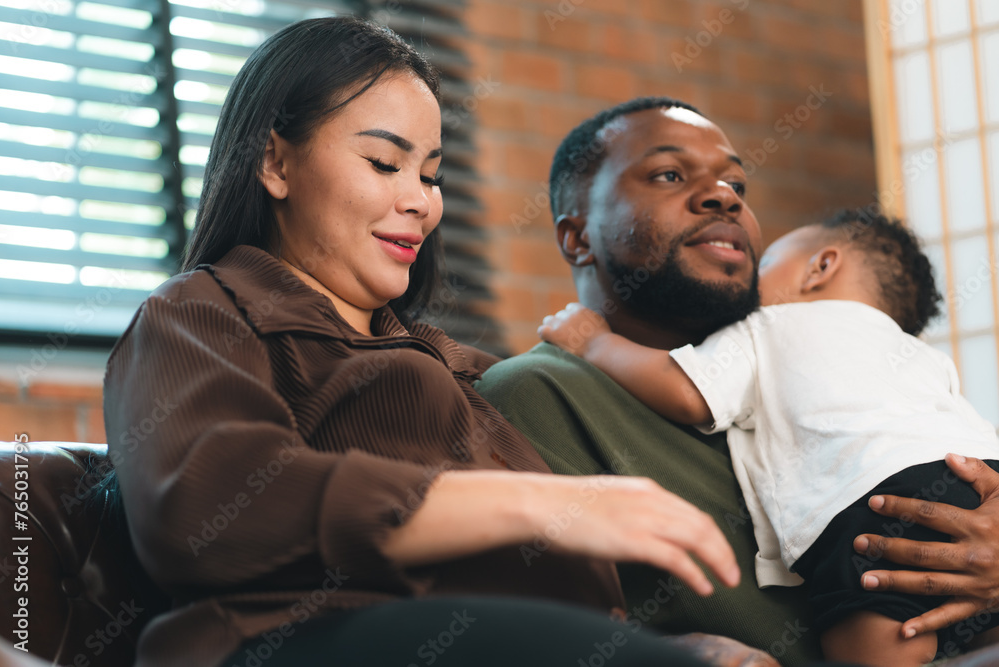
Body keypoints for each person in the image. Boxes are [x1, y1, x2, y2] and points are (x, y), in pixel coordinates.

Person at [101, 18, 769, 667]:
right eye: (384, 162)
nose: (421, 200)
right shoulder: (200, 312)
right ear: (276, 161)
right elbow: (205, 505)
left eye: (429, 173)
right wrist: (545, 503)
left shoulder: (466, 370)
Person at [474, 97, 999, 666]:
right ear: (577, 237)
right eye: (669, 174)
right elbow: (526, 636)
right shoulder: (534, 395)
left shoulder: (830, 382)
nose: (723, 194)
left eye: (737, 186)